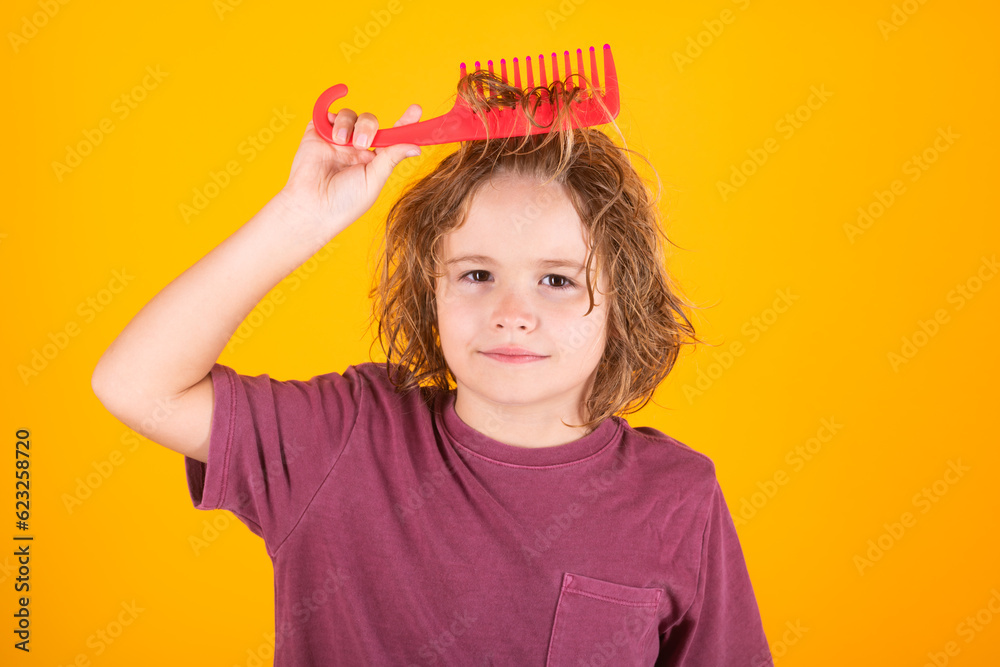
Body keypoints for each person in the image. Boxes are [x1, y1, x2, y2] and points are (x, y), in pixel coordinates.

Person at [91, 70, 773, 666]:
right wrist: (300, 216)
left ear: (623, 303)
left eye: (558, 280)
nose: (512, 311)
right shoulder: (346, 437)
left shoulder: (677, 496)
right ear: (431, 291)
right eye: (477, 273)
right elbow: (135, 384)